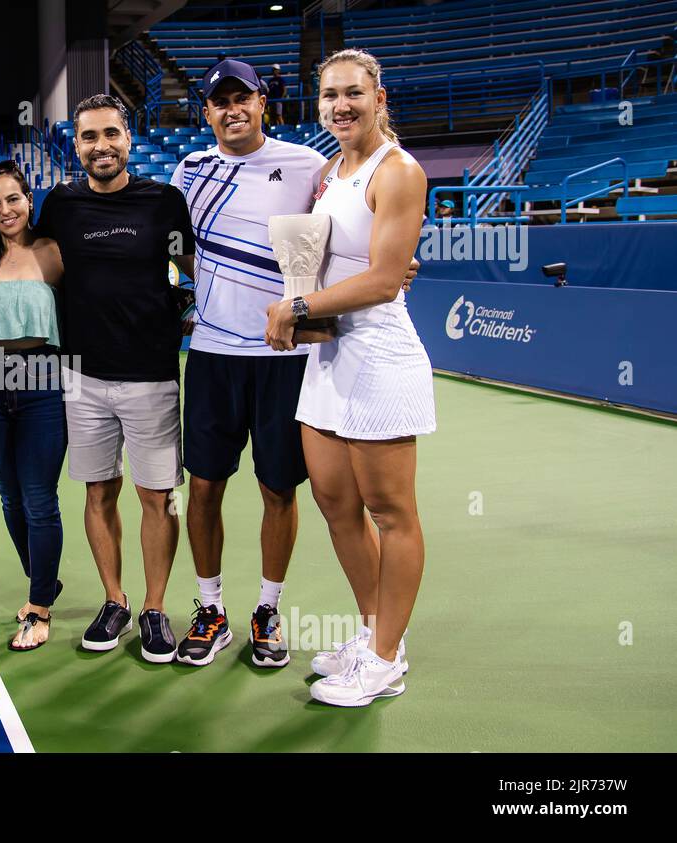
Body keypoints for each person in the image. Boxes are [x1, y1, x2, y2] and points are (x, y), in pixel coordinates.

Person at [264, 48, 434, 707]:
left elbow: (387, 280)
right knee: (336, 503)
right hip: (329, 353)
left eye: (353, 93)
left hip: (381, 355)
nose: (341, 105)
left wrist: (297, 307)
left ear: (378, 98)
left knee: (391, 512)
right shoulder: (330, 171)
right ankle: (373, 634)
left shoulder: (400, 171)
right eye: (330, 95)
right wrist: (300, 302)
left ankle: (386, 657)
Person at [170, 59, 328, 669]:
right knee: (204, 485)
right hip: (212, 353)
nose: (232, 110)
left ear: (263, 102)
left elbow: (341, 240)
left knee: (278, 487)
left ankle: (267, 610)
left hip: (283, 356)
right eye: (220, 102)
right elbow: (180, 252)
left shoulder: (308, 165)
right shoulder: (190, 170)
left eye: (243, 98)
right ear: (207, 112)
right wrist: (212, 292)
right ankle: (210, 609)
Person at [33, 94, 197, 664]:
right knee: (99, 492)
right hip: (82, 376)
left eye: (110, 134)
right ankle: (114, 600)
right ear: (75, 144)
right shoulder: (60, 204)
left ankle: (154, 608)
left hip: (152, 374)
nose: (100, 146)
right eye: (89, 136)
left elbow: (201, 268)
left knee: (158, 497)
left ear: (128, 138)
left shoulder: (164, 202)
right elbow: (28, 262)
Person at [0, 160, 67, 651]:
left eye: (13, 199)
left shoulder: (54, 252)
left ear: (29, 199)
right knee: (10, 496)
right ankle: (42, 581)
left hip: (42, 383)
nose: (5, 210)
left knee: (40, 499)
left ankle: (39, 608)